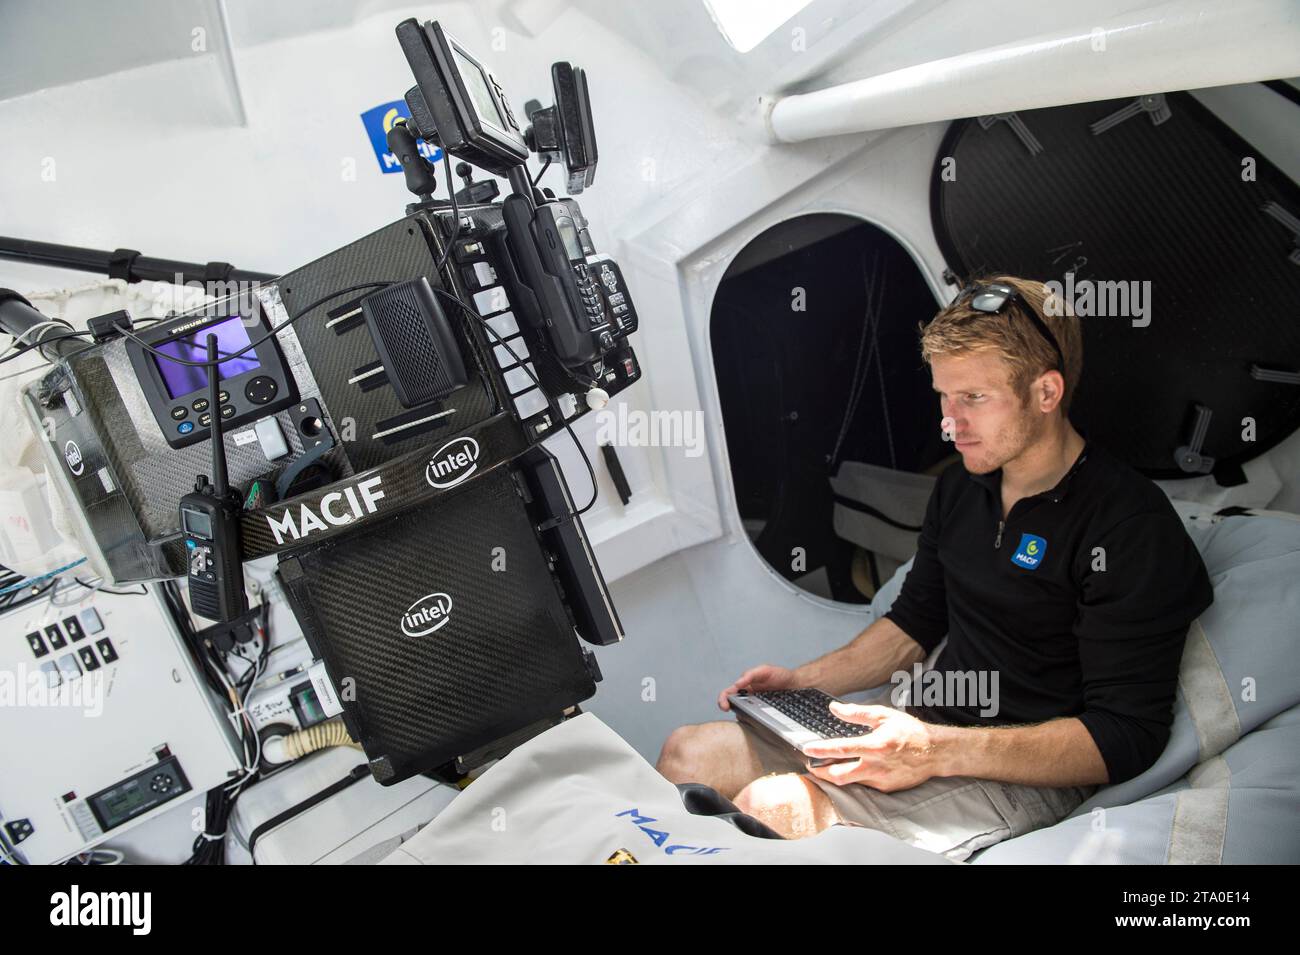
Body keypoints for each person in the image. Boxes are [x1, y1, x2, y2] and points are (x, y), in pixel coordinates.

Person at [655, 274, 1215, 860]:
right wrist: (803, 683)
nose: (950, 423)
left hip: (1021, 772)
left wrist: (933, 750)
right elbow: (913, 625)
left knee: (774, 810)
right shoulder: (960, 490)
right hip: (922, 728)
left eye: (973, 398)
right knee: (688, 753)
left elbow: (1124, 737)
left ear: (1046, 393)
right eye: (944, 397)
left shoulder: (1126, 527)